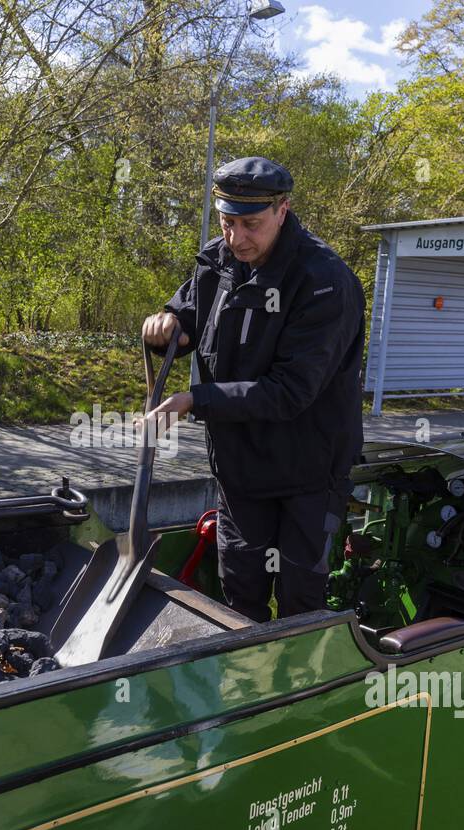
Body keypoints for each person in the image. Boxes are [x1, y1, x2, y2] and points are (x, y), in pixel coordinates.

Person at [143, 157, 365, 622]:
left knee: (300, 599)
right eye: (227, 223)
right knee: (240, 590)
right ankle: (245, 684)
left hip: (309, 470)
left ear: (282, 210)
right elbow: (189, 314)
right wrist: (169, 325)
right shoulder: (218, 260)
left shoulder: (324, 281)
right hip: (241, 467)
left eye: (251, 224)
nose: (237, 238)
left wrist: (196, 400)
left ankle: (298, 688)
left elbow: (290, 391)